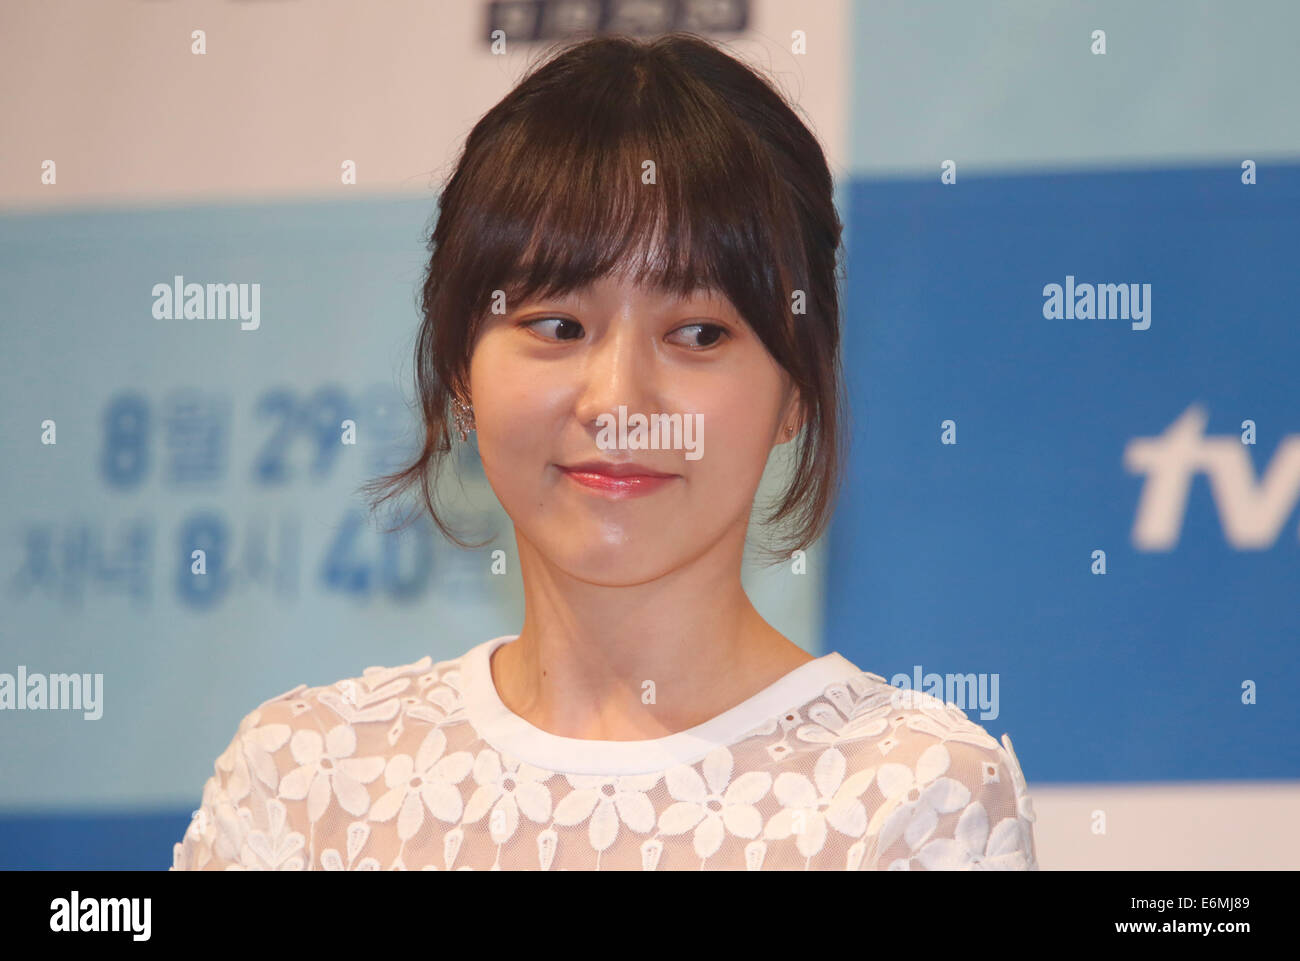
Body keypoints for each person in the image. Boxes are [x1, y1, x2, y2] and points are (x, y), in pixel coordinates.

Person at [172, 31, 1038, 871]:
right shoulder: (304, 787)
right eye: (558, 325)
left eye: (698, 333)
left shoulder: (913, 799)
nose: (620, 403)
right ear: (460, 369)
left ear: (796, 394)